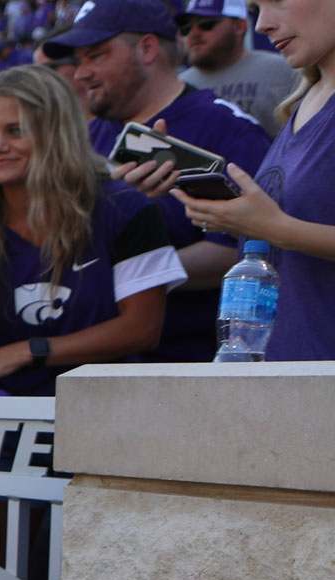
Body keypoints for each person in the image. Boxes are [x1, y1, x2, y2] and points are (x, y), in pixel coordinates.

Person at [0, 65, 186, 394]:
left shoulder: (124, 210)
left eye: (16, 130)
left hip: (107, 415)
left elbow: (142, 328)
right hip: (8, 430)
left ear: (55, 132)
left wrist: (25, 352)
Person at [49, 0, 273, 361]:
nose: (81, 73)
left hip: (191, 364)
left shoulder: (228, 130)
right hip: (96, 362)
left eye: (96, 56)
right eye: (80, 60)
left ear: (148, 49)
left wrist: (129, 270)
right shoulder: (87, 137)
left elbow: (244, 252)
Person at [177, 0, 335, 360]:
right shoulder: (306, 97)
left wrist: (277, 228)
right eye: (255, 7)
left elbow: (285, 229)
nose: (261, 24)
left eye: (277, 1)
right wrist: (232, 217)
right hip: (282, 375)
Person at [179, 0, 299, 136]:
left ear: (239, 27)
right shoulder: (178, 86)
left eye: (206, 24)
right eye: (186, 28)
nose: (193, 34)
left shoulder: (282, 70)